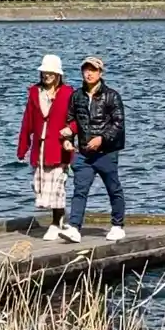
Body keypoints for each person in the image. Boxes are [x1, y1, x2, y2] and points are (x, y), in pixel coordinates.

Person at [58, 55, 126, 242]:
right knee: (80, 189)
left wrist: (101, 139)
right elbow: (71, 121)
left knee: (113, 188)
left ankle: (118, 225)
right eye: (86, 70)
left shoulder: (111, 96)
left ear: (100, 72)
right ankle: (74, 227)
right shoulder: (76, 96)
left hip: (106, 152)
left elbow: (118, 124)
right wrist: (68, 139)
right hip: (84, 153)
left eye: (93, 70)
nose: (89, 73)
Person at [16, 54, 74, 241]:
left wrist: (70, 130)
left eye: (50, 72)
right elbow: (28, 121)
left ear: (58, 74)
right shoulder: (34, 92)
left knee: (58, 186)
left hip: (59, 147)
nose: (46, 75)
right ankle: (59, 219)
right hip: (40, 148)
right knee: (41, 186)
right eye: (44, 72)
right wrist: (22, 147)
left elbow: (76, 120)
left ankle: (56, 223)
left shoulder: (68, 93)